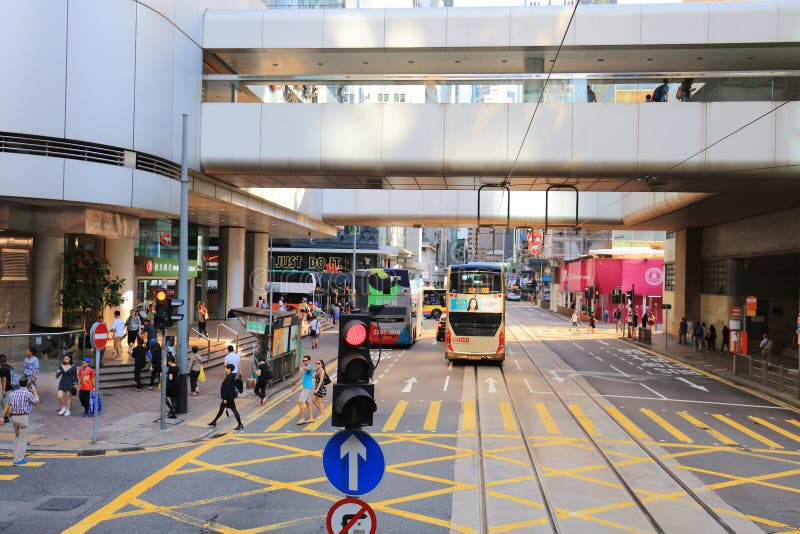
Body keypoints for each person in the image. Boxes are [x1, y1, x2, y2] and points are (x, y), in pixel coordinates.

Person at [1, 376, 39, 465]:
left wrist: (2, 417)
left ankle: (16, 452)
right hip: (23, 418)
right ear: (27, 384)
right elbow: (37, 402)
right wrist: (34, 391)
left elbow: (7, 407)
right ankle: (18, 459)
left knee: (17, 436)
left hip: (14, 418)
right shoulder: (28, 393)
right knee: (22, 439)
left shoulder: (13, 393)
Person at [206, 364, 244, 431]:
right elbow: (234, 385)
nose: (225, 369)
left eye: (226, 368)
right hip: (229, 396)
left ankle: (240, 424)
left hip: (228, 397)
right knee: (221, 409)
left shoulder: (229, 377)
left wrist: (225, 398)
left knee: (234, 410)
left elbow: (227, 388)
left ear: (229, 369)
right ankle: (214, 421)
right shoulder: (232, 376)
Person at [296, 355, 314, 425]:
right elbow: (303, 379)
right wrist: (295, 387)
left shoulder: (310, 367)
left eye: (305, 360)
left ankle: (302, 419)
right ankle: (311, 418)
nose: (304, 362)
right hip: (307, 387)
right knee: (308, 403)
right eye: (303, 361)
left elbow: (308, 369)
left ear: (309, 361)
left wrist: (302, 368)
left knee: (300, 403)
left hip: (307, 388)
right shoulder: (305, 369)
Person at [0, 354, 13, 422]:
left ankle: (8, 417)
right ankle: (7, 416)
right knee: (5, 402)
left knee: (5, 403)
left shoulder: (3, 368)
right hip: (10, 387)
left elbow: (4, 380)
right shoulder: (8, 366)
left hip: (6, 388)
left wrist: (3, 390)